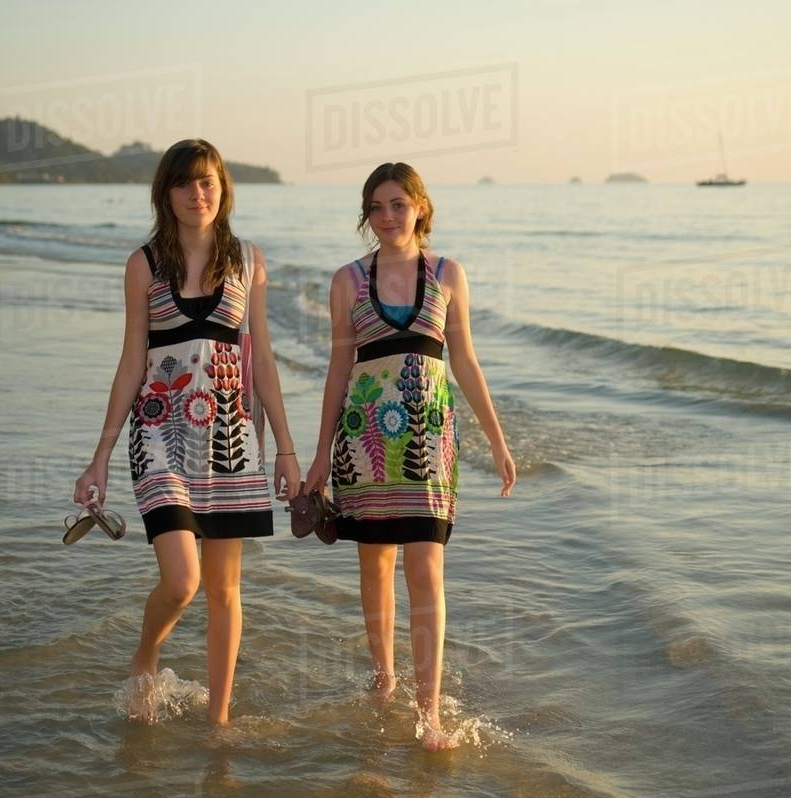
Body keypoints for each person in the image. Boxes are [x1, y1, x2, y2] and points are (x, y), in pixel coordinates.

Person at [74, 139, 300, 725]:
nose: (197, 194)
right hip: (159, 434)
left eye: (207, 182)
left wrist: (286, 448)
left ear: (223, 188)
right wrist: (99, 456)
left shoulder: (249, 261)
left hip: (231, 438)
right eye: (184, 184)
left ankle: (219, 720)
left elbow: (263, 362)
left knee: (226, 591)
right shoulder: (143, 266)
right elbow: (130, 362)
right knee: (182, 580)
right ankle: (147, 652)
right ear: (165, 193)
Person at [303, 162, 515, 751]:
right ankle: (384, 678)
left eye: (398, 204)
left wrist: (496, 440)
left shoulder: (448, 274)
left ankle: (429, 715)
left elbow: (466, 362)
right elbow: (339, 369)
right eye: (376, 207)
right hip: (365, 438)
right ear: (367, 217)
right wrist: (321, 455)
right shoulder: (347, 280)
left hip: (428, 442)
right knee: (375, 565)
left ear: (420, 205)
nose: (388, 216)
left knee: (426, 567)